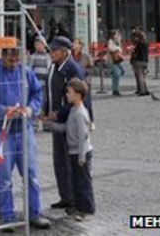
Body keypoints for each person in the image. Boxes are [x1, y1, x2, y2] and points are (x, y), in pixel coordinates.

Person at [0, 42, 52, 231]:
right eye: (10, 60)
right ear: (2, 55)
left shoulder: (25, 71)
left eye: (16, 59)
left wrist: (31, 108)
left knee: (31, 175)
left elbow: (37, 93)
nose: (14, 63)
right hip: (0, 132)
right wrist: (3, 110)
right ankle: (6, 216)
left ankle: (34, 213)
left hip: (24, 130)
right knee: (3, 177)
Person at [42, 35, 92, 213]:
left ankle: (74, 199)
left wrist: (88, 118)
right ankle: (65, 196)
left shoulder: (73, 69)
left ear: (64, 52)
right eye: (51, 50)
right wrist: (45, 110)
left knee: (70, 160)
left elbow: (80, 96)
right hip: (56, 119)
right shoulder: (54, 66)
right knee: (59, 161)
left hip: (69, 120)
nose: (51, 53)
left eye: (54, 50)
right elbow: (49, 91)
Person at [44, 78, 95, 222]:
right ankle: (78, 207)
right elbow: (66, 128)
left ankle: (86, 209)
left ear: (78, 95)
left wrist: (81, 157)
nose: (66, 94)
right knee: (76, 182)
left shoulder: (79, 113)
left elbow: (82, 137)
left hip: (81, 153)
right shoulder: (73, 109)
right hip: (74, 152)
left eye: (69, 92)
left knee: (83, 182)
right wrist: (50, 124)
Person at [129, 28, 151, 97]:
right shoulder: (146, 43)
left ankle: (142, 91)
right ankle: (145, 90)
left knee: (140, 77)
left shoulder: (138, 44)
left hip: (138, 61)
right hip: (145, 61)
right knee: (143, 76)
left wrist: (132, 51)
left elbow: (136, 53)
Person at [107, 29, 124, 96]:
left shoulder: (117, 41)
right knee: (116, 74)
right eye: (116, 34)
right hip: (112, 60)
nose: (117, 35)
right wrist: (118, 48)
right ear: (113, 35)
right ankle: (115, 90)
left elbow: (121, 49)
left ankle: (115, 89)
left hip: (117, 60)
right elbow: (111, 48)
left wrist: (119, 42)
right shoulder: (110, 41)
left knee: (117, 74)